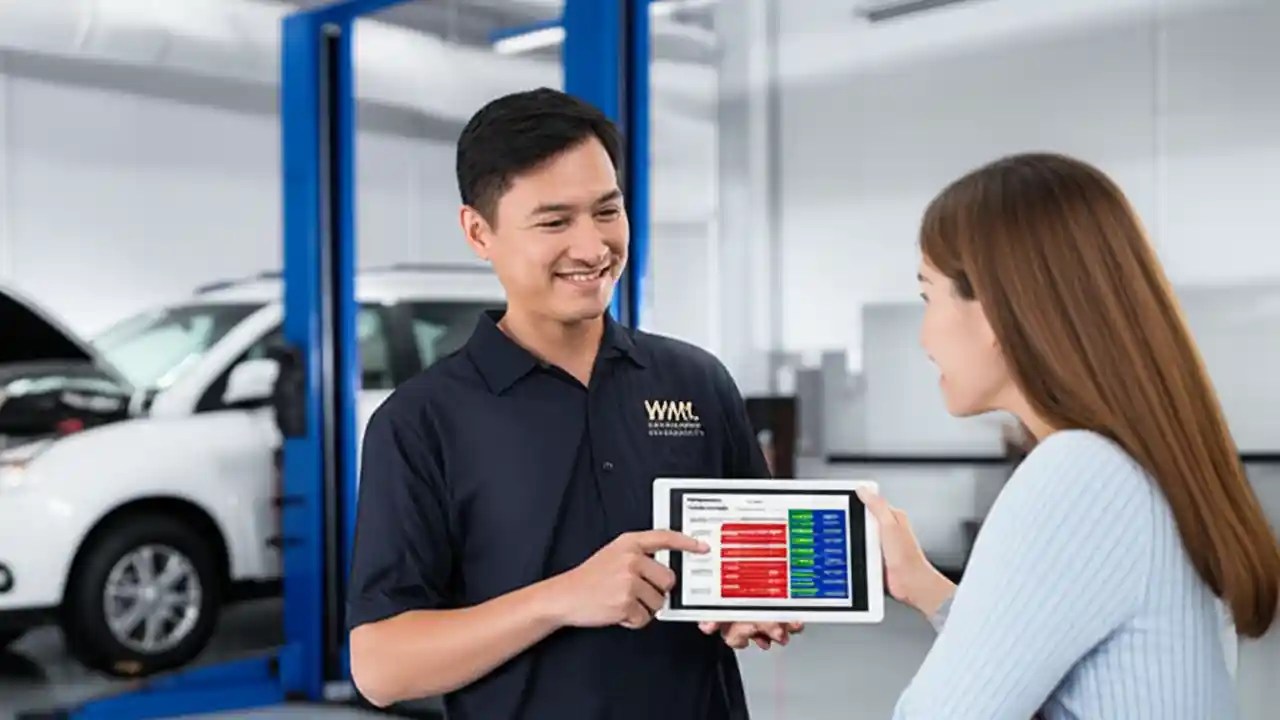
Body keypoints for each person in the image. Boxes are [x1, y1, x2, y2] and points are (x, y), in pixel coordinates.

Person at [345, 87, 799, 720]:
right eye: (555, 222)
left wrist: (753, 607)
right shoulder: (421, 422)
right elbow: (381, 666)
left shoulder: (696, 381)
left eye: (607, 211)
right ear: (479, 231)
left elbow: (755, 568)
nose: (592, 248)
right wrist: (561, 598)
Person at [862, 152, 1280, 719]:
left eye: (927, 296)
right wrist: (926, 588)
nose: (923, 336)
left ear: (992, 310)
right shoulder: (1133, 464)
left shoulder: (1078, 473)